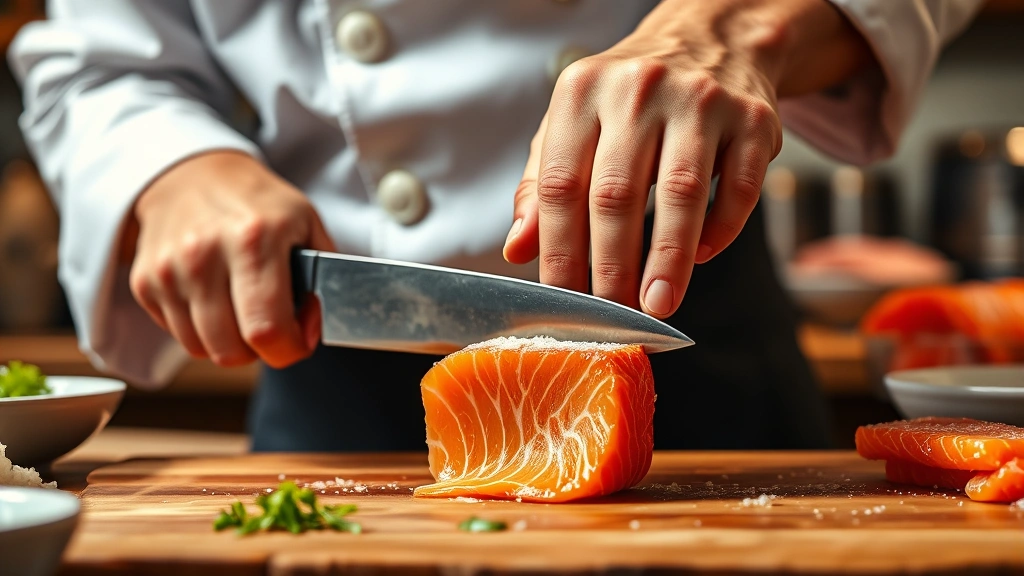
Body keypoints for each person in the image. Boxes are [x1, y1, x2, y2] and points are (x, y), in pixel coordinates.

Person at [10, 0, 982, 451]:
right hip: (328, 357)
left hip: (690, 345)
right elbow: (99, 57)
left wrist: (735, 27)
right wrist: (175, 166)